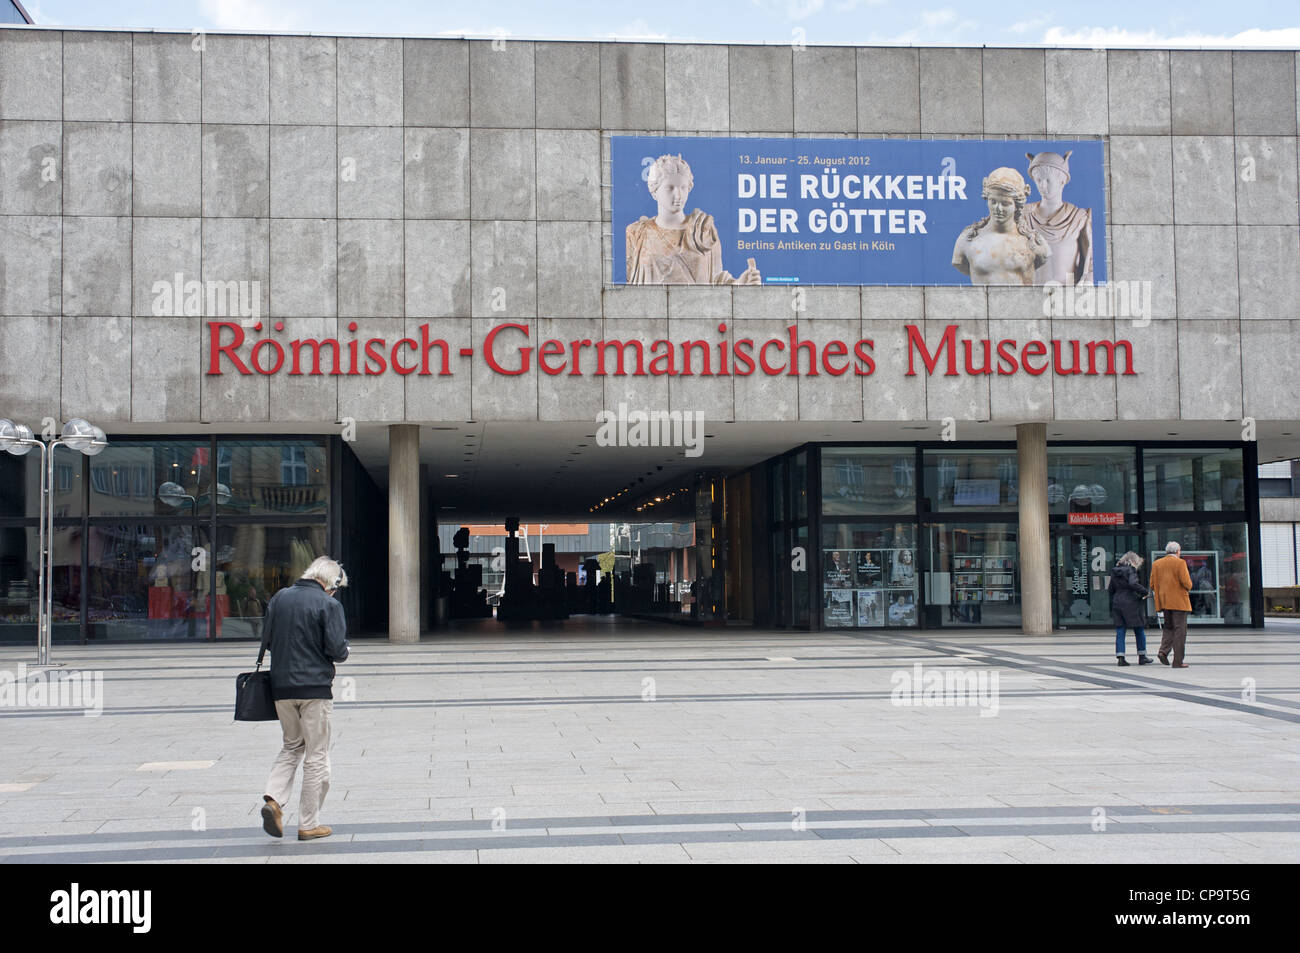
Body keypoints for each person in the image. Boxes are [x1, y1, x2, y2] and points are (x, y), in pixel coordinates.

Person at [259, 556, 350, 841]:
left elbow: (269, 640)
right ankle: (309, 823)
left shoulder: (280, 598)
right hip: (314, 689)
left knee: (291, 745)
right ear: (329, 584)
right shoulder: (329, 604)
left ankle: (274, 800)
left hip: (281, 688)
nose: (335, 593)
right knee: (317, 754)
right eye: (336, 588)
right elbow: (337, 650)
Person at [626, 154, 762, 285]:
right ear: (654, 191)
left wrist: (739, 283)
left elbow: (715, 280)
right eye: (670, 188)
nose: (678, 195)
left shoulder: (703, 229)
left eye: (683, 187)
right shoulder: (637, 233)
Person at [951, 167, 1050, 285]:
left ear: (1016, 205)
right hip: (982, 303)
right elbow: (959, 263)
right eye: (993, 201)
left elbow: (1043, 258)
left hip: (1021, 303)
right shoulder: (968, 240)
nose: (998, 209)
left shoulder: (1034, 243)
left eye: (1005, 203)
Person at [1022, 151, 1093, 285]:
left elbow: (1090, 261)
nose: (1042, 185)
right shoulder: (1024, 216)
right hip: (1031, 291)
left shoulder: (1078, 218)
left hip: (1067, 292)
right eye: (1038, 180)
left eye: (1048, 180)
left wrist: (1087, 281)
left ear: (1062, 181)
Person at [1150, 541, 1192, 668]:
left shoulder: (1157, 564)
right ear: (1178, 551)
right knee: (1180, 631)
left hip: (1164, 602)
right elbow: (1187, 583)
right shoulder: (1180, 563)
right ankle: (1178, 661)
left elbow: (1152, 584)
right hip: (1179, 602)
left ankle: (1163, 651)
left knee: (1168, 628)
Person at [1109, 551, 1152, 666]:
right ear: (1133, 561)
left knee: (1120, 630)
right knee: (1139, 628)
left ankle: (1120, 657)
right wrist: (1144, 591)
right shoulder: (1130, 570)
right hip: (1131, 602)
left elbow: (1110, 589)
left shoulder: (1114, 571)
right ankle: (1142, 656)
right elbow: (1133, 584)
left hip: (1117, 602)